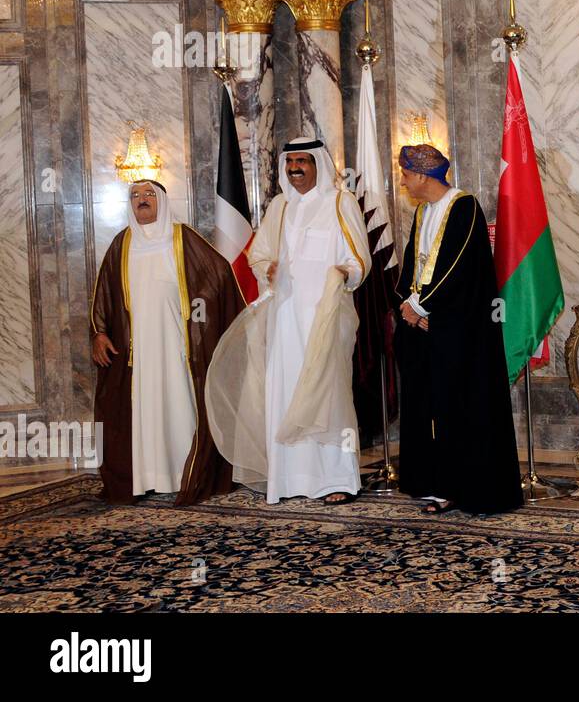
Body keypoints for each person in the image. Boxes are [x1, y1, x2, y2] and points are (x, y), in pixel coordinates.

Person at [206, 137, 370, 505]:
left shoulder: (341, 204)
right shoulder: (279, 207)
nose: (296, 168)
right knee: (286, 390)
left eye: (303, 161)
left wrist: (345, 271)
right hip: (284, 318)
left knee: (329, 395)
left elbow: (360, 261)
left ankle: (336, 479)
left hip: (326, 316)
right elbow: (259, 257)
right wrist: (269, 268)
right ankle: (290, 479)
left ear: (318, 164)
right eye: (290, 162)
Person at [91, 180, 244, 504]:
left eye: (148, 195)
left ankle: (182, 473)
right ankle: (146, 477)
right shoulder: (122, 244)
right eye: (135, 196)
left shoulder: (181, 237)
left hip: (178, 345)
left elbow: (218, 276)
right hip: (136, 353)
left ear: (161, 200)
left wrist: (204, 321)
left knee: (178, 405)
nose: (141, 201)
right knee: (141, 409)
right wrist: (100, 333)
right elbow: (104, 292)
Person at [393, 144, 522, 515]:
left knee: (458, 409)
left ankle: (464, 488)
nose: (403, 181)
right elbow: (412, 265)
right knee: (429, 406)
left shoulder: (464, 207)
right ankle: (435, 482)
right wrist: (406, 302)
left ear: (421, 176)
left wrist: (420, 305)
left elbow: (458, 268)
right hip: (427, 326)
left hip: (460, 331)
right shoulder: (423, 212)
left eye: (405, 174)